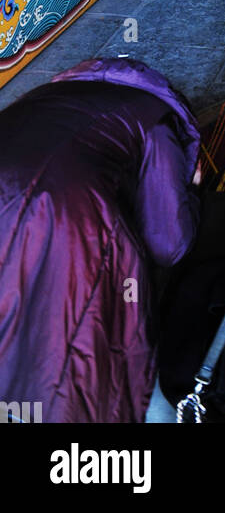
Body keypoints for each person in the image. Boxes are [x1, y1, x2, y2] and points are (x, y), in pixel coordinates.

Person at [0, 56, 200, 423]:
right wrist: (191, 194)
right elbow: (169, 244)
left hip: (16, 195)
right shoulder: (156, 117)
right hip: (63, 213)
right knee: (81, 339)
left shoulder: (45, 97)